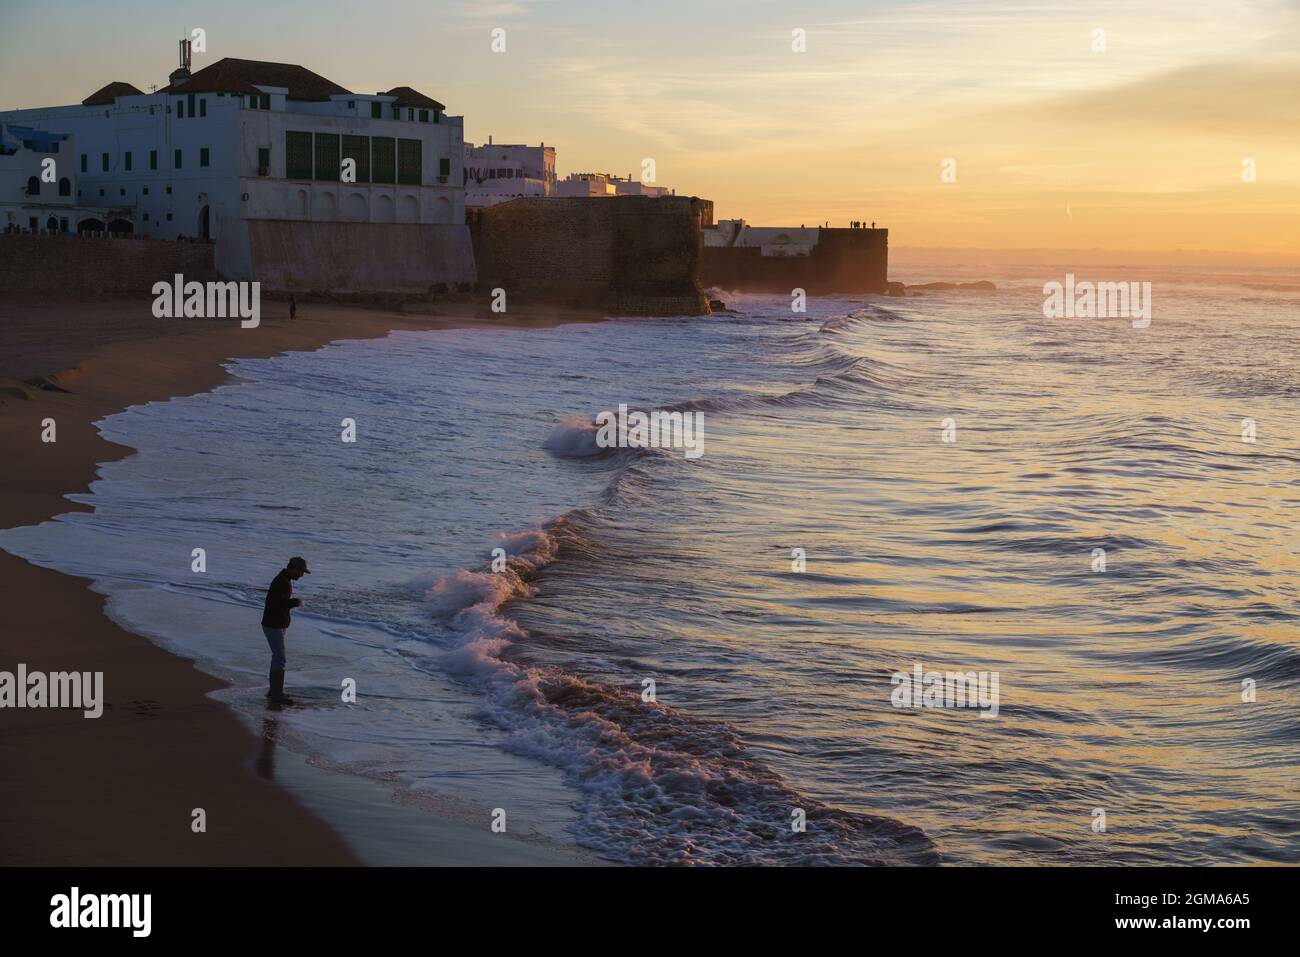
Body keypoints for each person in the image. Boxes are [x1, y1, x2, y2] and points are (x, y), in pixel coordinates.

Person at [261, 556, 309, 705]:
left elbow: (277, 603)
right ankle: (276, 694)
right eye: (301, 572)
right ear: (295, 569)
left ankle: (274, 691)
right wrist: (295, 602)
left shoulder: (283, 580)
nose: (302, 575)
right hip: (273, 624)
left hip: (274, 624)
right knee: (280, 658)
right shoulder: (283, 582)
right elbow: (277, 604)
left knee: (277, 657)